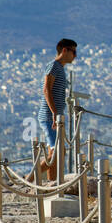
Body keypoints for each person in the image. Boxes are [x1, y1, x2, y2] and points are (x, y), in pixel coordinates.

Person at [35, 38, 77, 176]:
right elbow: (46, 89)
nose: (75, 55)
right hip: (50, 116)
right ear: (65, 50)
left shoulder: (60, 68)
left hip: (55, 116)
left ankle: (51, 184)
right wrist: (54, 113)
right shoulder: (53, 66)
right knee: (58, 152)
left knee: (54, 153)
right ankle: (28, 178)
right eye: (73, 51)